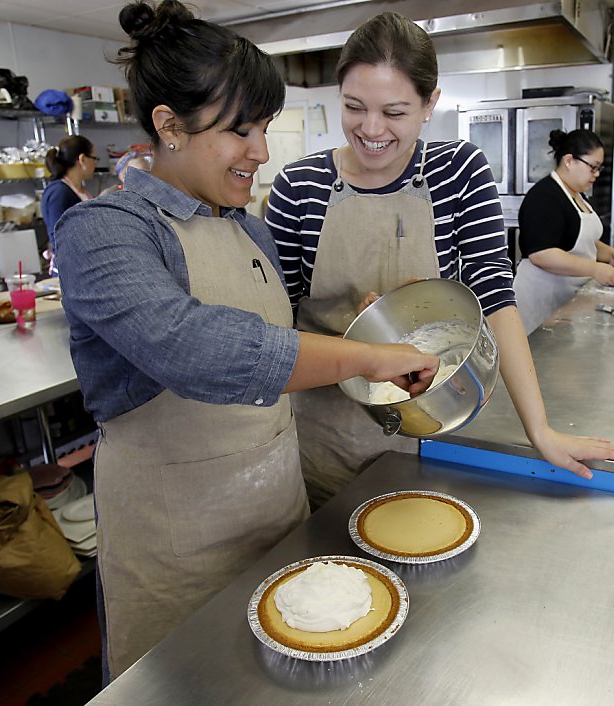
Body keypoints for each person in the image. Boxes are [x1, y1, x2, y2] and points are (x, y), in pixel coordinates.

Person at [55, 0, 438, 681]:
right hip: (175, 545)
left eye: (263, 127)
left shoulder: (248, 229)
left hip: (276, 518)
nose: (261, 151)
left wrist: (377, 330)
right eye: (240, 130)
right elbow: (196, 348)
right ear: (169, 126)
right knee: (188, 685)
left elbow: (288, 343)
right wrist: (371, 355)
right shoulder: (104, 232)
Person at [265, 12, 614, 508]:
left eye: (394, 112)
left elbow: (495, 297)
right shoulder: (299, 185)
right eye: (354, 107)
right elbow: (276, 325)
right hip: (323, 437)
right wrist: (362, 339)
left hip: (435, 425)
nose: (371, 129)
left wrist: (540, 430)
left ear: (429, 104)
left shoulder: (458, 170)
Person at [513, 129, 614, 335]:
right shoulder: (545, 196)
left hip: (565, 299)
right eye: (593, 168)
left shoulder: (577, 195)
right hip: (540, 298)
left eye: (599, 168)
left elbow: (580, 239)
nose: (596, 175)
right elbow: (541, 254)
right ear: (570, 160)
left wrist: (613, 255)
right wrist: (595, 269)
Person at [41, 135, 96, 274]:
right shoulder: (59, 192)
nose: (95, 164)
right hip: (70, 270)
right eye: (94, 159)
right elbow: (60, 238)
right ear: (82, 159)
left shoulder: (80, 190)